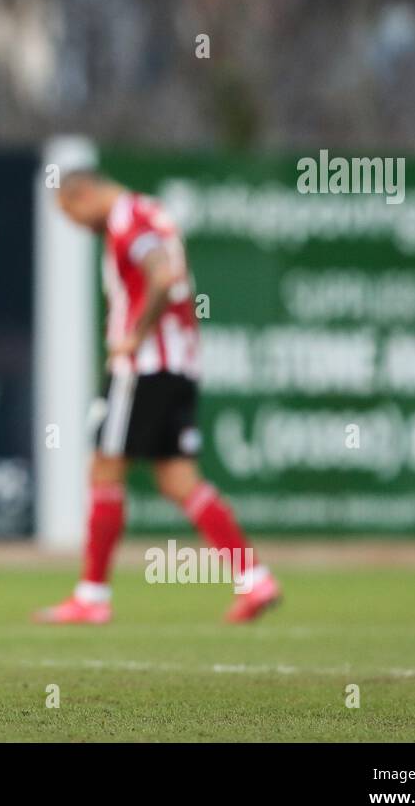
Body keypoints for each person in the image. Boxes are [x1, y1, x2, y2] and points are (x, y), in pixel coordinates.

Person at [34, 171, 281, 625]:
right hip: (181, 363)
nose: (78, 225)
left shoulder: (127, 219)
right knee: (177, 479)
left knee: (104, 468)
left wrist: (134, 335)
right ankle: (255, 578)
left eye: (72, 214)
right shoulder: (153, 211)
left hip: (145, 366)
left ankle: (92, 596)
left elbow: (163, 276)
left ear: (83, 194)